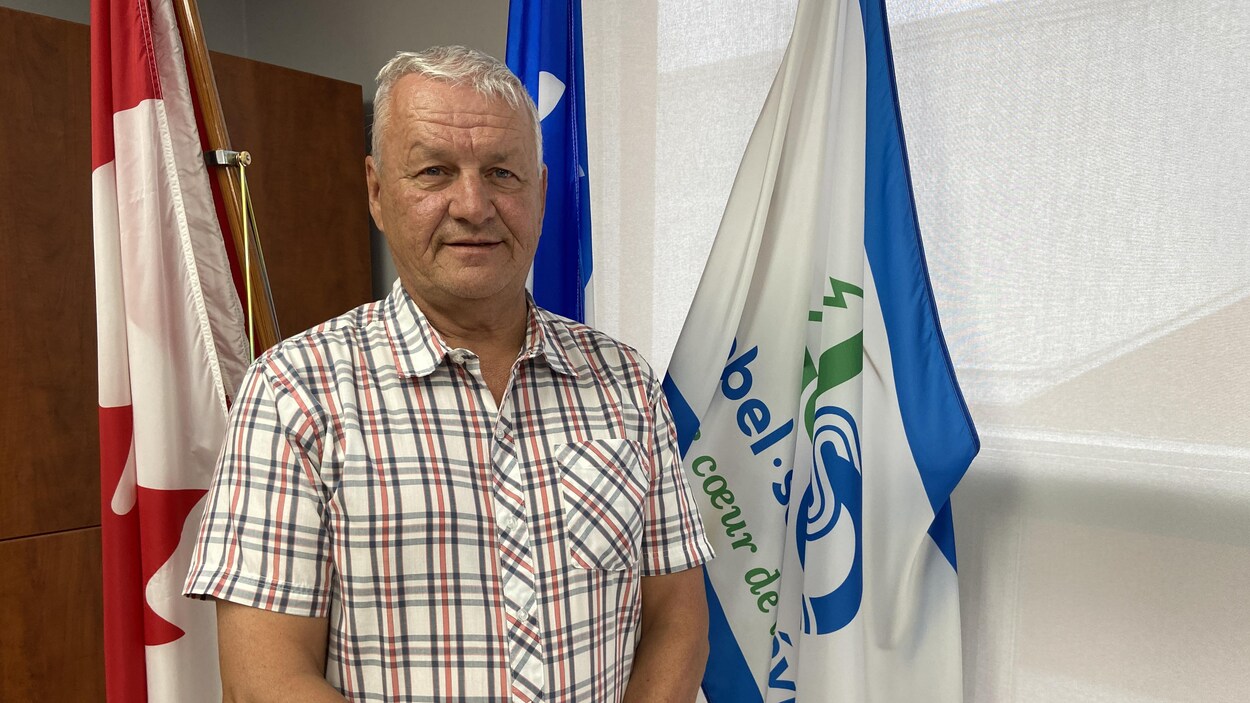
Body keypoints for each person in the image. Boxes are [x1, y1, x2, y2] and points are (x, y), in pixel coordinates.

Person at [184, 45, 713, 703]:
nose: (473, 204)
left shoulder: (625, 382)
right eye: (434, 171)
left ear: (541, 193)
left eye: (502, 173)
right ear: (378, 192)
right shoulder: (293, 394)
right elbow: (264, 678)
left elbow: (676, 615)